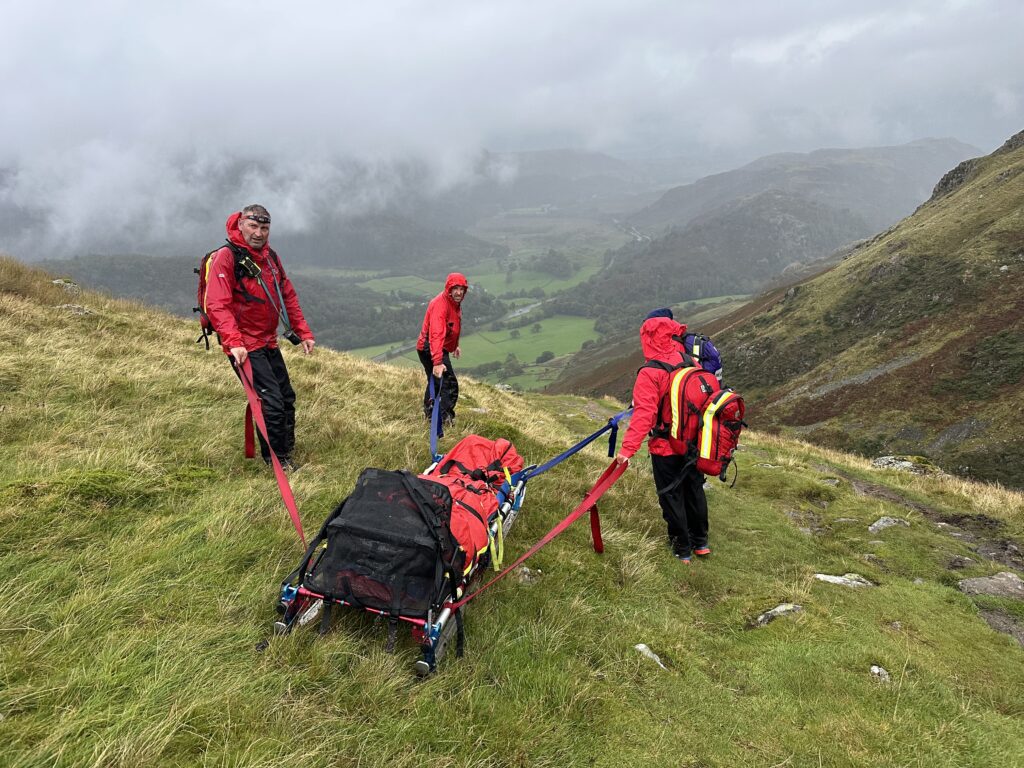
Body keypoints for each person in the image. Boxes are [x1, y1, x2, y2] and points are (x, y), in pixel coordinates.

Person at [202, 204, 315, 470]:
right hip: (244, 345)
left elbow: (287, 295)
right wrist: (233, 342)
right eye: (253, 226)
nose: (259, 233)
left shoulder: (270, 257)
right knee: (271, 402)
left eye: (264, 228)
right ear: (240, 224)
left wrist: (303, 332)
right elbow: (217, 304)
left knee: (286, 397)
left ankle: (286, 450)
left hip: (267, 340)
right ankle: (278, 462)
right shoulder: (226, 257)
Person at [615, 312, 709, 563]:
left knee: (671, 494)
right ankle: (701, 542)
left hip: (665, 446)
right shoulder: (689, 360)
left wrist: (627, 449)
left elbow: (644, 414)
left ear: (647, 338)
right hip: (692, 443)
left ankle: (682, 549)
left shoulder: (650, 372)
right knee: (694, 489)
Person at [416, 273, 468, 426]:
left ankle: (431, 415)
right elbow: (436, 334)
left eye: (461, 289)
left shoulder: (453, 302)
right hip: (431, 347)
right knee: (448, 384)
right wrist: (437, 362)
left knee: (435, 381)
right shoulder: (441, 304)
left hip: (434, 346)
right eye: (455, 288)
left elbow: (451, 326)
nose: (459, 292)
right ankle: (444, 420)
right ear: (448, 289)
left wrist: (454, 345)